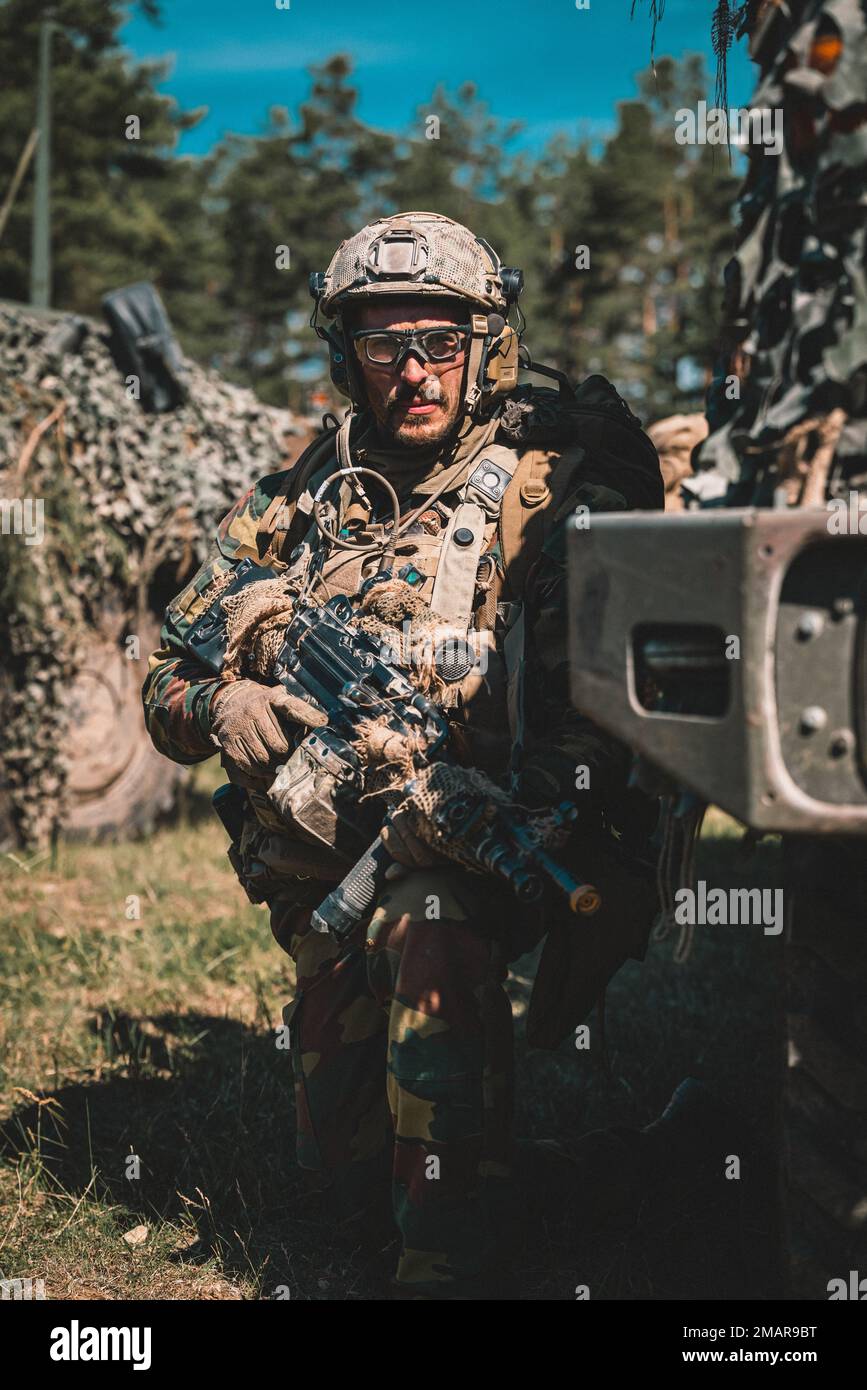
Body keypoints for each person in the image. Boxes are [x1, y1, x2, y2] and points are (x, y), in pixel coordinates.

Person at [142, 211, 664, 1298]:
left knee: (430, 928)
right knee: (341, 1189)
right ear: (348, 356)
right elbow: (164, 679)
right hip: (329, 869)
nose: (414, 372)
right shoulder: (299, 496)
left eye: (440, 340)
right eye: (384, 346)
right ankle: (482, 1169)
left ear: (489, 346)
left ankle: (449, 1272)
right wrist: (221, 699)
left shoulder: (542, 493)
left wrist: (506, 806)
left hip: (484, 845)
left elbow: (609, 725)